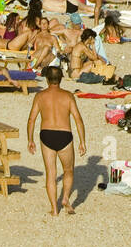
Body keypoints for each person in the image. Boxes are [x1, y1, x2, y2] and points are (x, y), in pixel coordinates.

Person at [26, 65, 87, 217]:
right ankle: (65, 198)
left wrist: (30, 140)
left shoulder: (40, 96)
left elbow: (31, 120)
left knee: (51, 174)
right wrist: (82, 141)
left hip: (46, 135)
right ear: (61, 79)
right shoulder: (68, 96)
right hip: (64, 135)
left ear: (46, 79)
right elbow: (78, 119)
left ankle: (54, 209)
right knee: (68, 170)